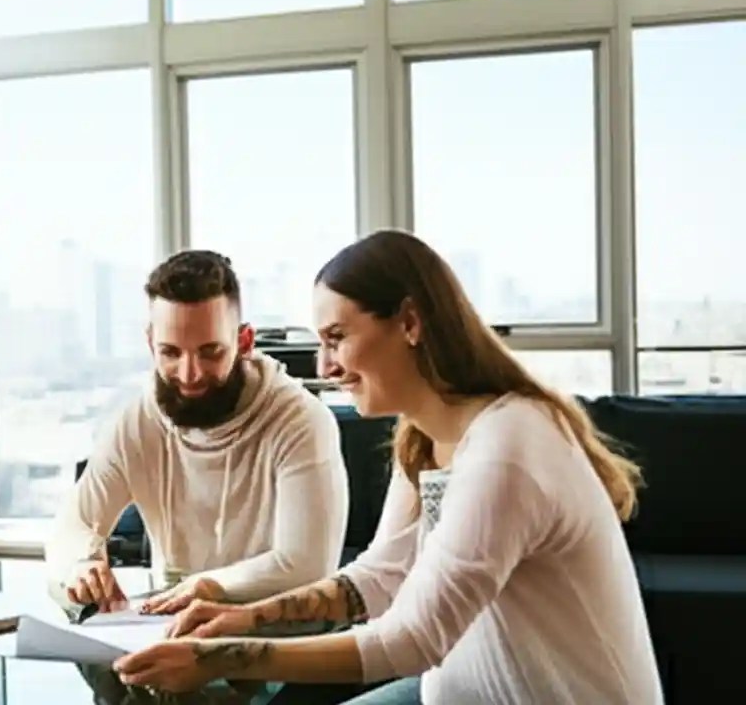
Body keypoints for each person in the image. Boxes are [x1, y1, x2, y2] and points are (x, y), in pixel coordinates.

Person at [111, 231, 663, 704]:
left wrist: (218, 658)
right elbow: (383, 576)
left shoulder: (506, 449)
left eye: (337, 338)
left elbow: (410, 640)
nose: (325, 367)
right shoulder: (423, 436)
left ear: (410, 323)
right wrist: (242, 617)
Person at [45, 249, 349, 616]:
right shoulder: (138, 421)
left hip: (275, 638)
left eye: (210, 352)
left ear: (244, 342)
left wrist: (209, 585)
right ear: (150, 343)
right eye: (170, 352)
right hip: (169, 634)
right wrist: (80, 564)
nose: (189, 375)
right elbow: (72, 523)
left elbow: (307, 565)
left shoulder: (301, 421)